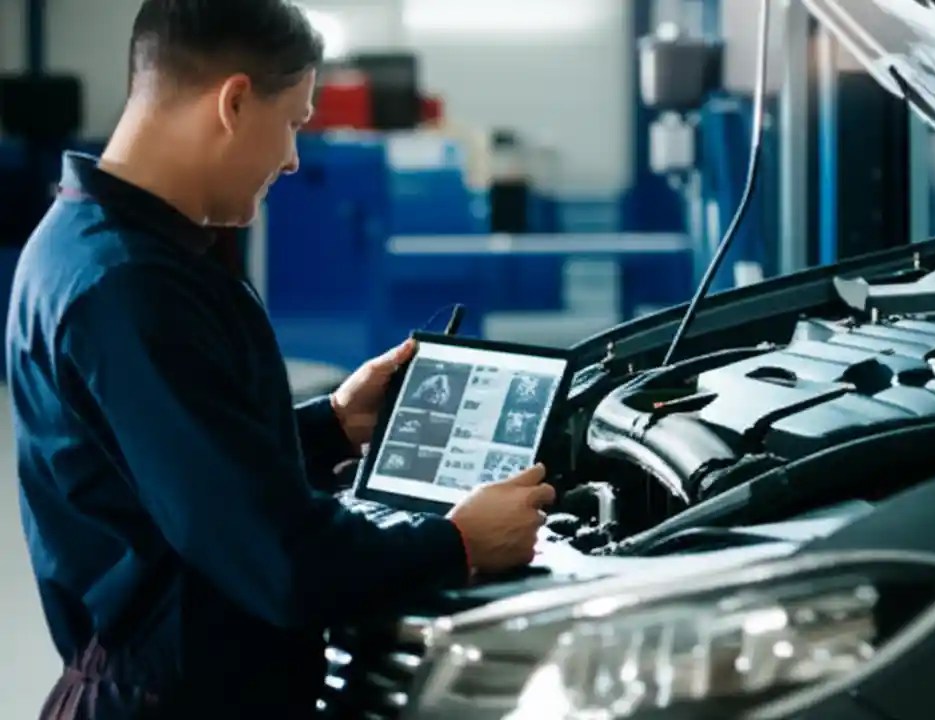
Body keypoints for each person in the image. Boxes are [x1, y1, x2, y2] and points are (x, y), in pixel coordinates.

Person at [4, 1, 555, 717]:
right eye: (295, 121)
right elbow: (278, 559)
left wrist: (333, 423)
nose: (295, 158)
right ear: (234, 102)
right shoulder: (130, 285)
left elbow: (179, 468)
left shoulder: (86, 241)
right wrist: (458, 543)